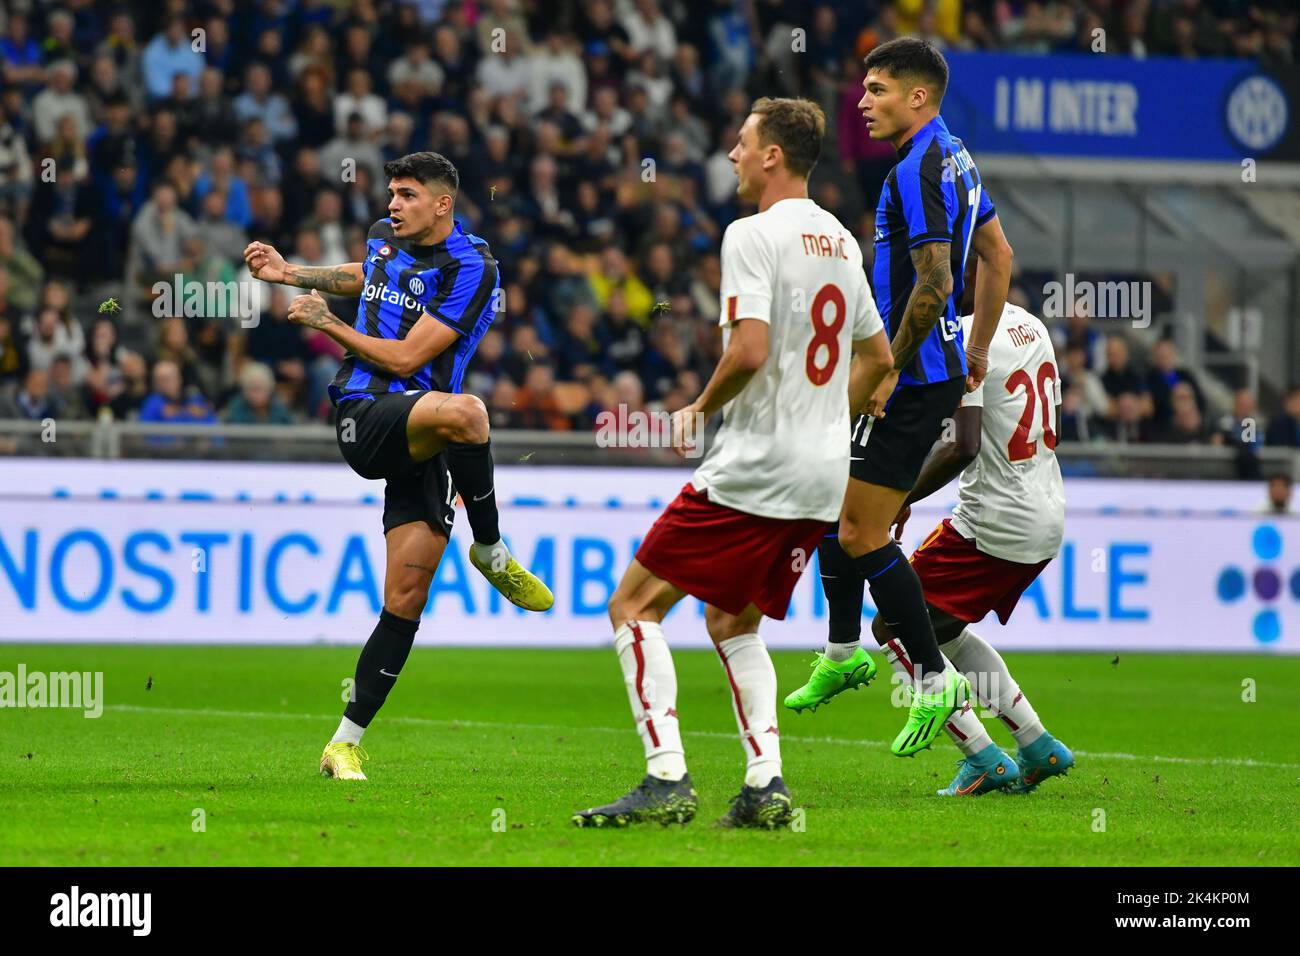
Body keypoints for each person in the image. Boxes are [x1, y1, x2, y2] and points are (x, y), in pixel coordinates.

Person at [572, 97, 893, 829]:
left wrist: (698, 407)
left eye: (742, 143)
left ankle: (665, 779)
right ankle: (765, 785)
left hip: (756, 465)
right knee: (732, 621)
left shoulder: (750, 233)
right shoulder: (843, 241)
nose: (732, 155)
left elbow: (748, 349)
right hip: (820, 473)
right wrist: (822, 420)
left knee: (633, 606)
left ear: (773, 155)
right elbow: (878, 358)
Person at [243, 151, 553, 782]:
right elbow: (368, 276)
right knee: (470, 414)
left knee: (406, 596)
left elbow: (411, 357)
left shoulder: (474, 267)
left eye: (407, 194)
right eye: (390, 193)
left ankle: (343, 744)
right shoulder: (385, 239)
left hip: (420, 428)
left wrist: (326, 322)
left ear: (443, 204)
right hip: (365, 414)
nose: (391, 205)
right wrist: (291, 273)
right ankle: (491, 551)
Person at [787, 37, 1015, 759]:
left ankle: (931, 677)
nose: (863, 103)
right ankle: (844, 648)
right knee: (833, 498)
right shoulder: (957, 155)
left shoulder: (918, 167)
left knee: (860, 532)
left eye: (878, 90)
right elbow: (999, 255)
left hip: (908, 374)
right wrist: (974, 352)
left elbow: (935, 283)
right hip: (931, 369)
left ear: (918, 96)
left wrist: (887, 369)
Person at [876, 265, 1073, 796]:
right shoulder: (1032, 325)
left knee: (895, 625)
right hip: (1046, 513)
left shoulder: (965, 343)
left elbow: (961, 446)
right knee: (945, 627)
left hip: (994, 521)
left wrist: (898, 494)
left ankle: (984, 757)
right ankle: (1036, 744)